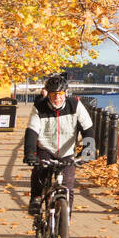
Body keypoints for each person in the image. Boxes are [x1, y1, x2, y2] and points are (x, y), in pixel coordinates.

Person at [23, 74, 94, 216]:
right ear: (48, 94)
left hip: (66, 152)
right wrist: (29, 153)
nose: (57, 98)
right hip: (46, 148)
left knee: (68, 186)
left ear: (66, 93)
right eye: (53, 94)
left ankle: (65, 221)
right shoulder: (40, 107)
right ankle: (35, 199)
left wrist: (89, 149)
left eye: (61, 94)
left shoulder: (75, 105)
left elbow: (88, 128)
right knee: (39, 172)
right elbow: (32, 131)